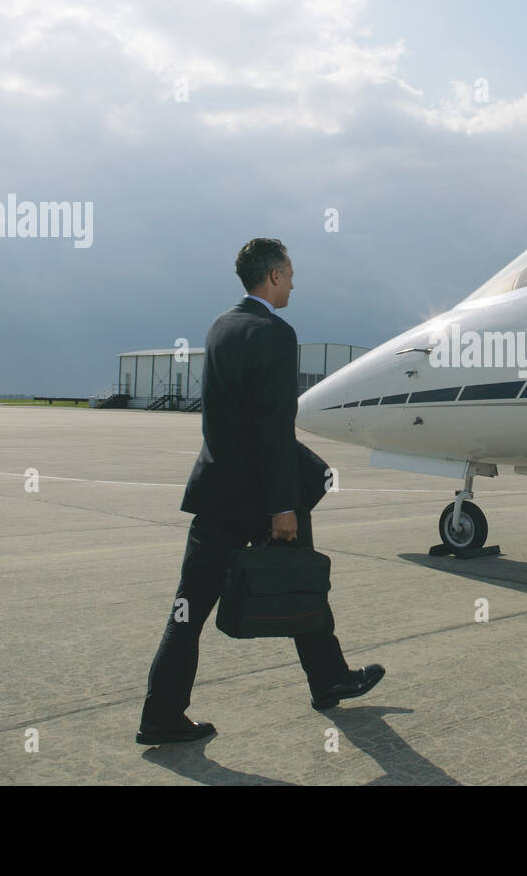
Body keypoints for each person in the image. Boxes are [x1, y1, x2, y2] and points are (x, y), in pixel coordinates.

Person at [136, 238, 384, 745]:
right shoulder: (274, 332)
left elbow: (226, 419)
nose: (294, 282)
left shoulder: (221, 327)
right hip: (266, 495)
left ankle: (160, 713)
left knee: (188, 607)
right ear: (273, 276)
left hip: (216, 491)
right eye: (290, 273)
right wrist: (282, 507)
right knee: (301, 581)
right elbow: (274, 427)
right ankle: (329, 677)